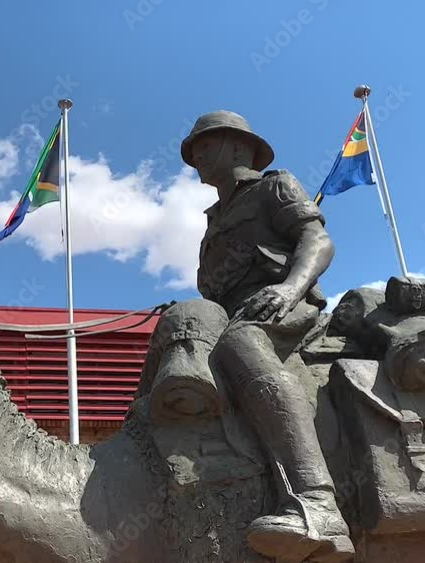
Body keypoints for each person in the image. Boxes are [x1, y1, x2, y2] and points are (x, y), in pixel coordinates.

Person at [181, 110, 355, 562]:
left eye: (207, 143)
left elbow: (317, 241)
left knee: (241, 343)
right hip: (232, 310)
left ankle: (317, 504)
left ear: (240, 146)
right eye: (195, 146)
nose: (197, 153)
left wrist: (289, 288)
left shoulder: (273, 186)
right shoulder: (213, 219)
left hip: (280, 304)